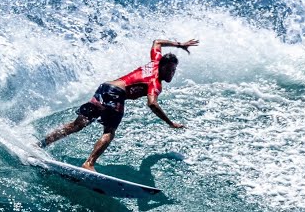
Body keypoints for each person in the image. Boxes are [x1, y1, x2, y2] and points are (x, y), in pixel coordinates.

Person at [41, 38, 199, 171]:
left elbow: (157, 42)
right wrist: (170, 122)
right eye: (171, 70)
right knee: (109, 131)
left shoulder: (155, 61)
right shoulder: (155, 83)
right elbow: (152, 104)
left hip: (104, 87)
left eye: (174, 70)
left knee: (78, 125)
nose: (173, 73)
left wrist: (179, 45)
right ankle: (89, 163)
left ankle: (41, 144)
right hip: (116, 94)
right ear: (163, 68)